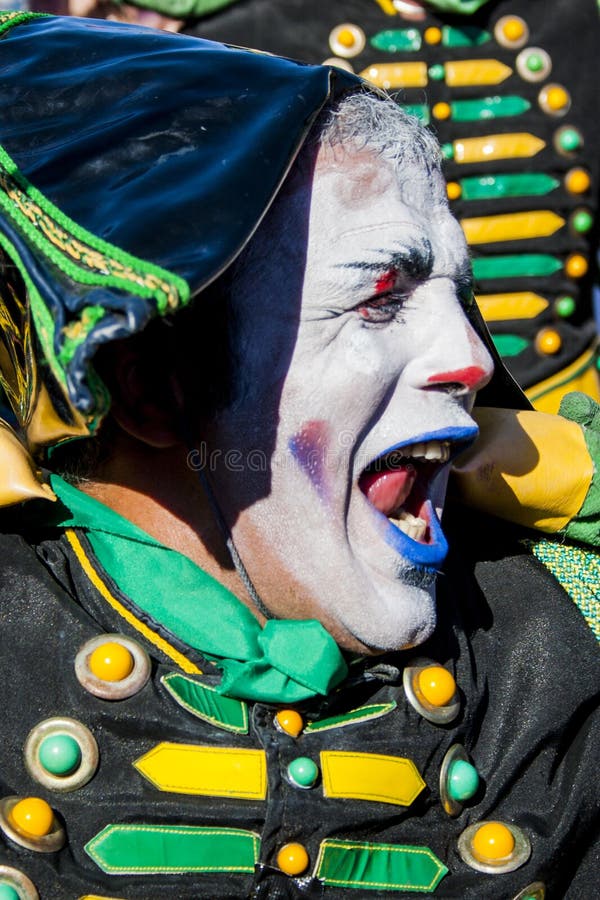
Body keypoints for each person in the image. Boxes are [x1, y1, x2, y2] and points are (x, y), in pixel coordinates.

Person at [0, 13, 597, 900]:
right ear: (156, 390)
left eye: (459, 295)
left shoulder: (547, 641)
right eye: (381, 298)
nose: (472, 356)